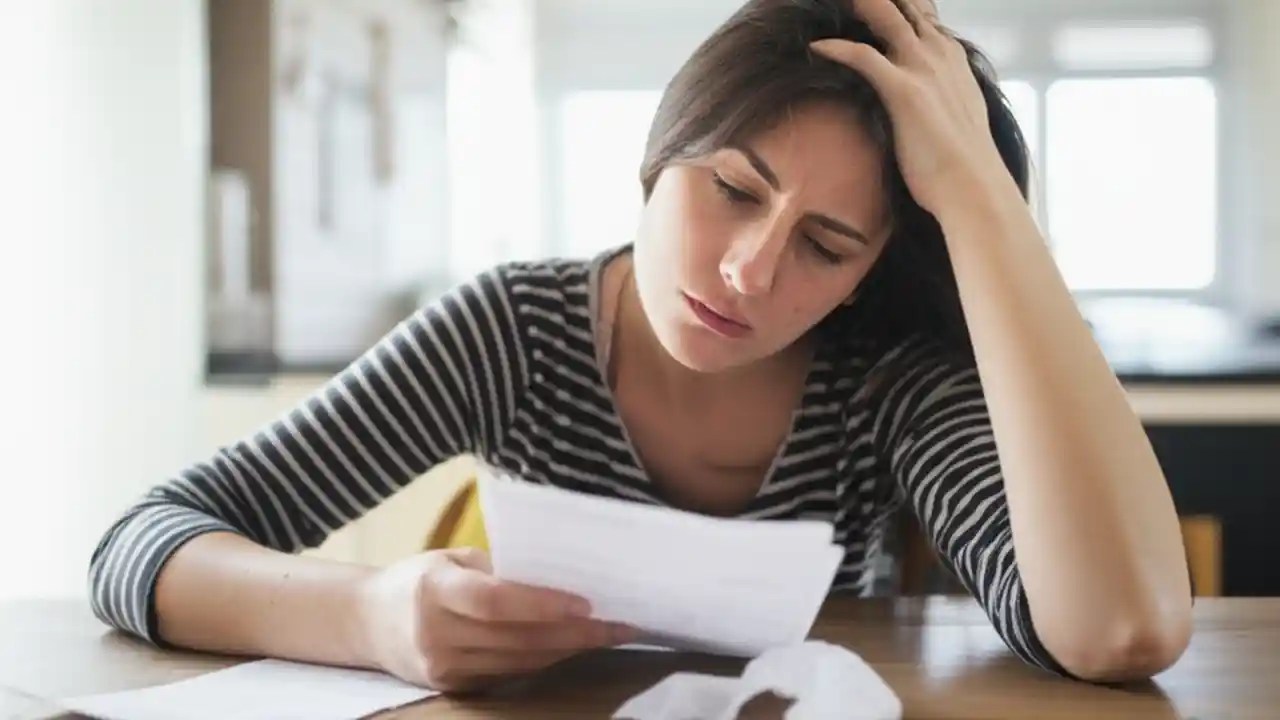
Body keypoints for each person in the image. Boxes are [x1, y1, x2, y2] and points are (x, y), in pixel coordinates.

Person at [88, 0, 1192, 693]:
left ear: (867, 276)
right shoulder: (512, 331)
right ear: (659, 155)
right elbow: (141, 547)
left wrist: (979, 200)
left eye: (825, 244)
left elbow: (1119, 629)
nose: (747, 272)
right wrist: (373, 613)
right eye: (730, 190)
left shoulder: (884, 379)